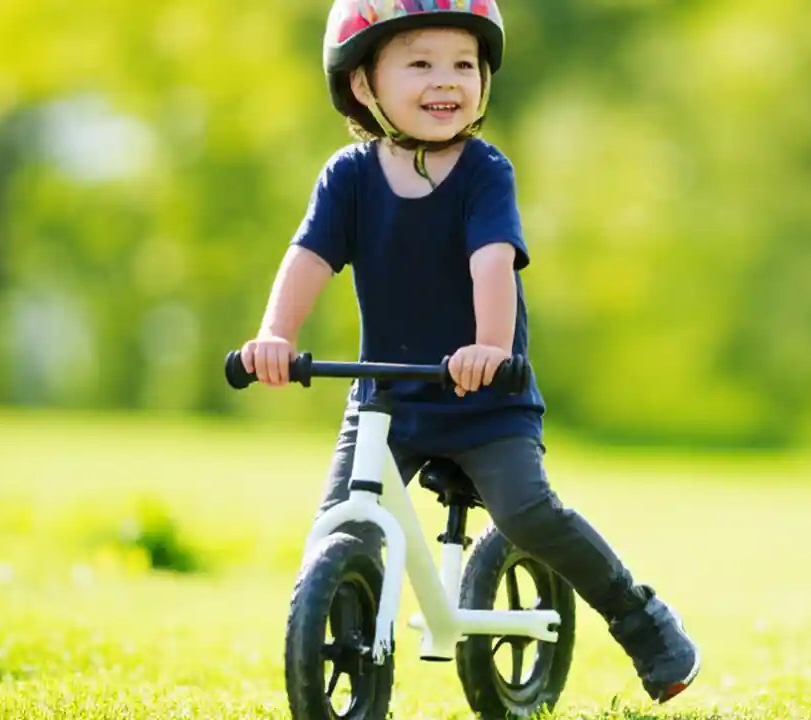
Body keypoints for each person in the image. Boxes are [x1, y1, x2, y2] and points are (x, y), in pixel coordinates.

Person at [238, 0, 700, 703]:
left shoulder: (484, 171)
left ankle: (640, 618)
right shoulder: (348, 178)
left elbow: (493, 262)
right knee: (346, 528)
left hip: (486, 395)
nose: (446, 81)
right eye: (420, 64)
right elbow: (307, 258)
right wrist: (276, 337)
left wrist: (487, 348)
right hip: (387, 399)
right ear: (364, 85)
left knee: (525, 514)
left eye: (463, 64)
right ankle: (357, 669)